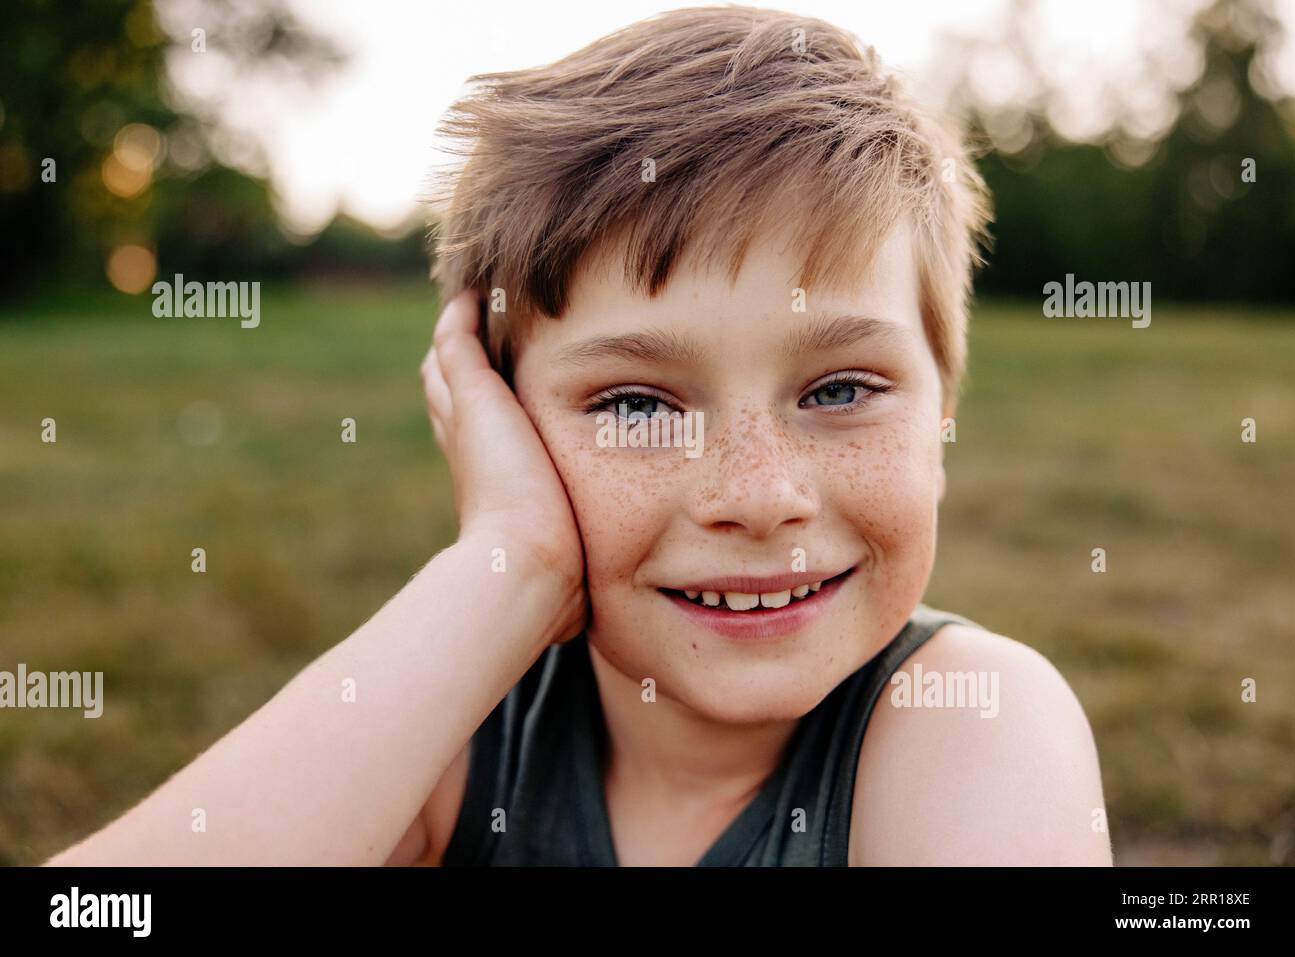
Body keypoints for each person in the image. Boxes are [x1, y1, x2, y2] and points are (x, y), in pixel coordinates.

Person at [46, 5, 1112, 867]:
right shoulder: (468, 743)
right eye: (638, 405)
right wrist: (509, 569)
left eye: (838, 389)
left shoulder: (971, 727)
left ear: (940, 419)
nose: (755, 493)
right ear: (497, 425)